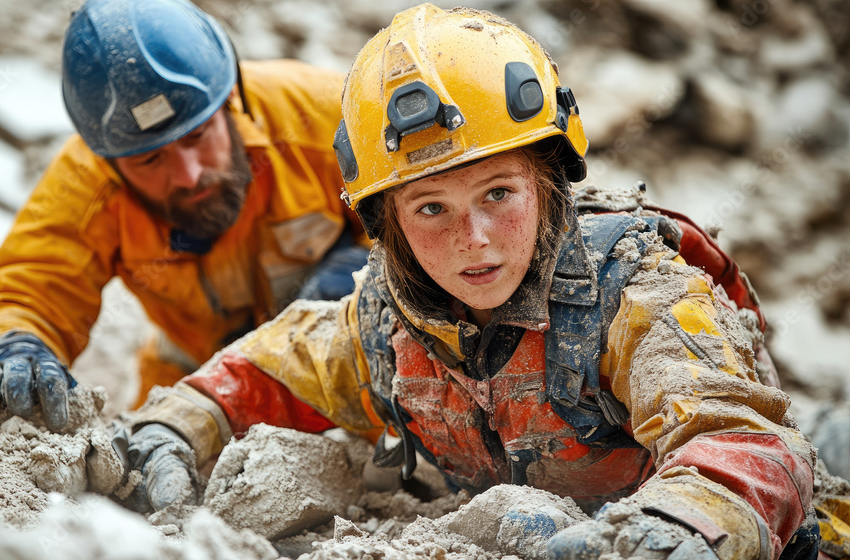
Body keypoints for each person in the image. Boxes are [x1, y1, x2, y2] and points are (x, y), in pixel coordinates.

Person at [121, 5, 836, 559]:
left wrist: (672, 529)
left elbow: (746, 439)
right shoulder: (382, 327)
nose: (475, 239)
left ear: (550, 182)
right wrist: (173, 427)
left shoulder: (639, 296)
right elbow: (265, 369)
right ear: (388, 224)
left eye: (498, 193)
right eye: (431, 208)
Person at [0, 0, 369, 432]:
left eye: (198, 136)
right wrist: (17, 346)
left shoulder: (325, 115)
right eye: (150, 161)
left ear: (229, 99)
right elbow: (26, 291)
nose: (188, 175)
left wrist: (372, 277)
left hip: (362, 355)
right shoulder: (88, 182)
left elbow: (432, 205)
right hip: (195, 375)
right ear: (110, 163)